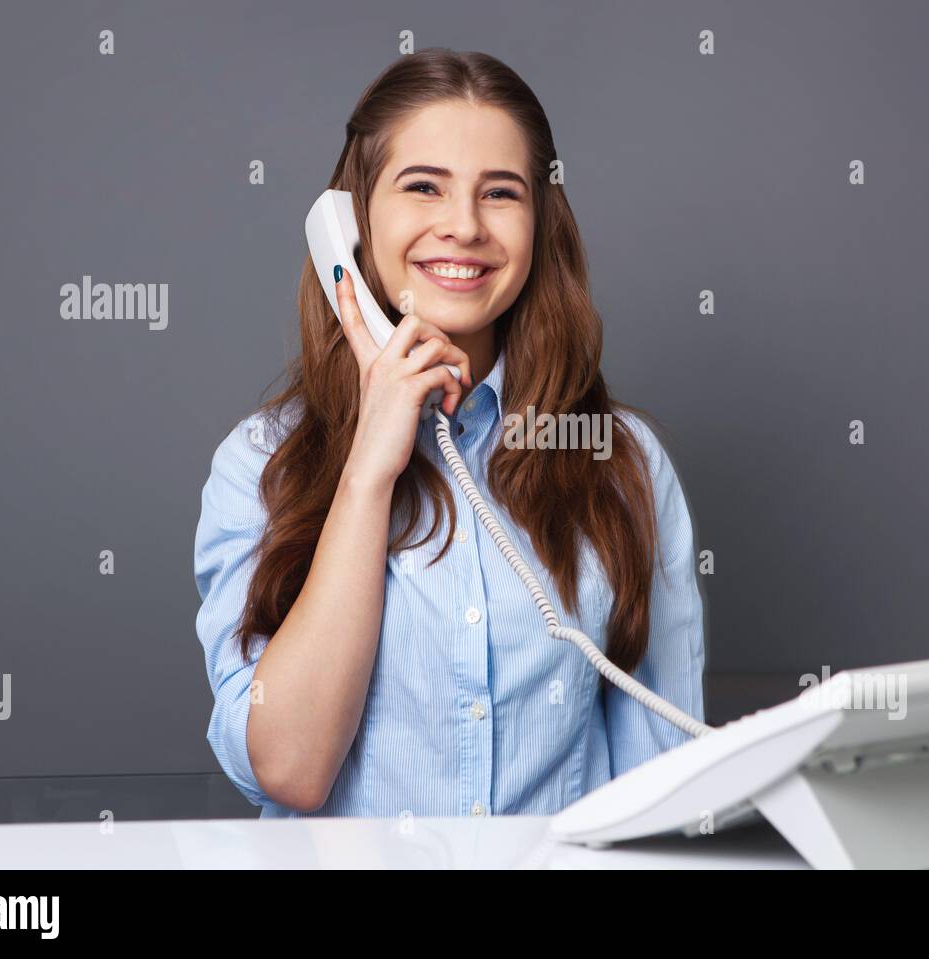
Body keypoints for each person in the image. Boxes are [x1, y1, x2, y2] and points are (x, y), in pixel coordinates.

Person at [194, 48, 705, 818]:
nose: (463, 226)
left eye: (500, 193)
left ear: (540, 223)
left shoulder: (618, 463)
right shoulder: (258, 465)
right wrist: (370, 469)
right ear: (350, 222)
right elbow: (291, 767)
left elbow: (668, 785)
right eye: (423, 186)